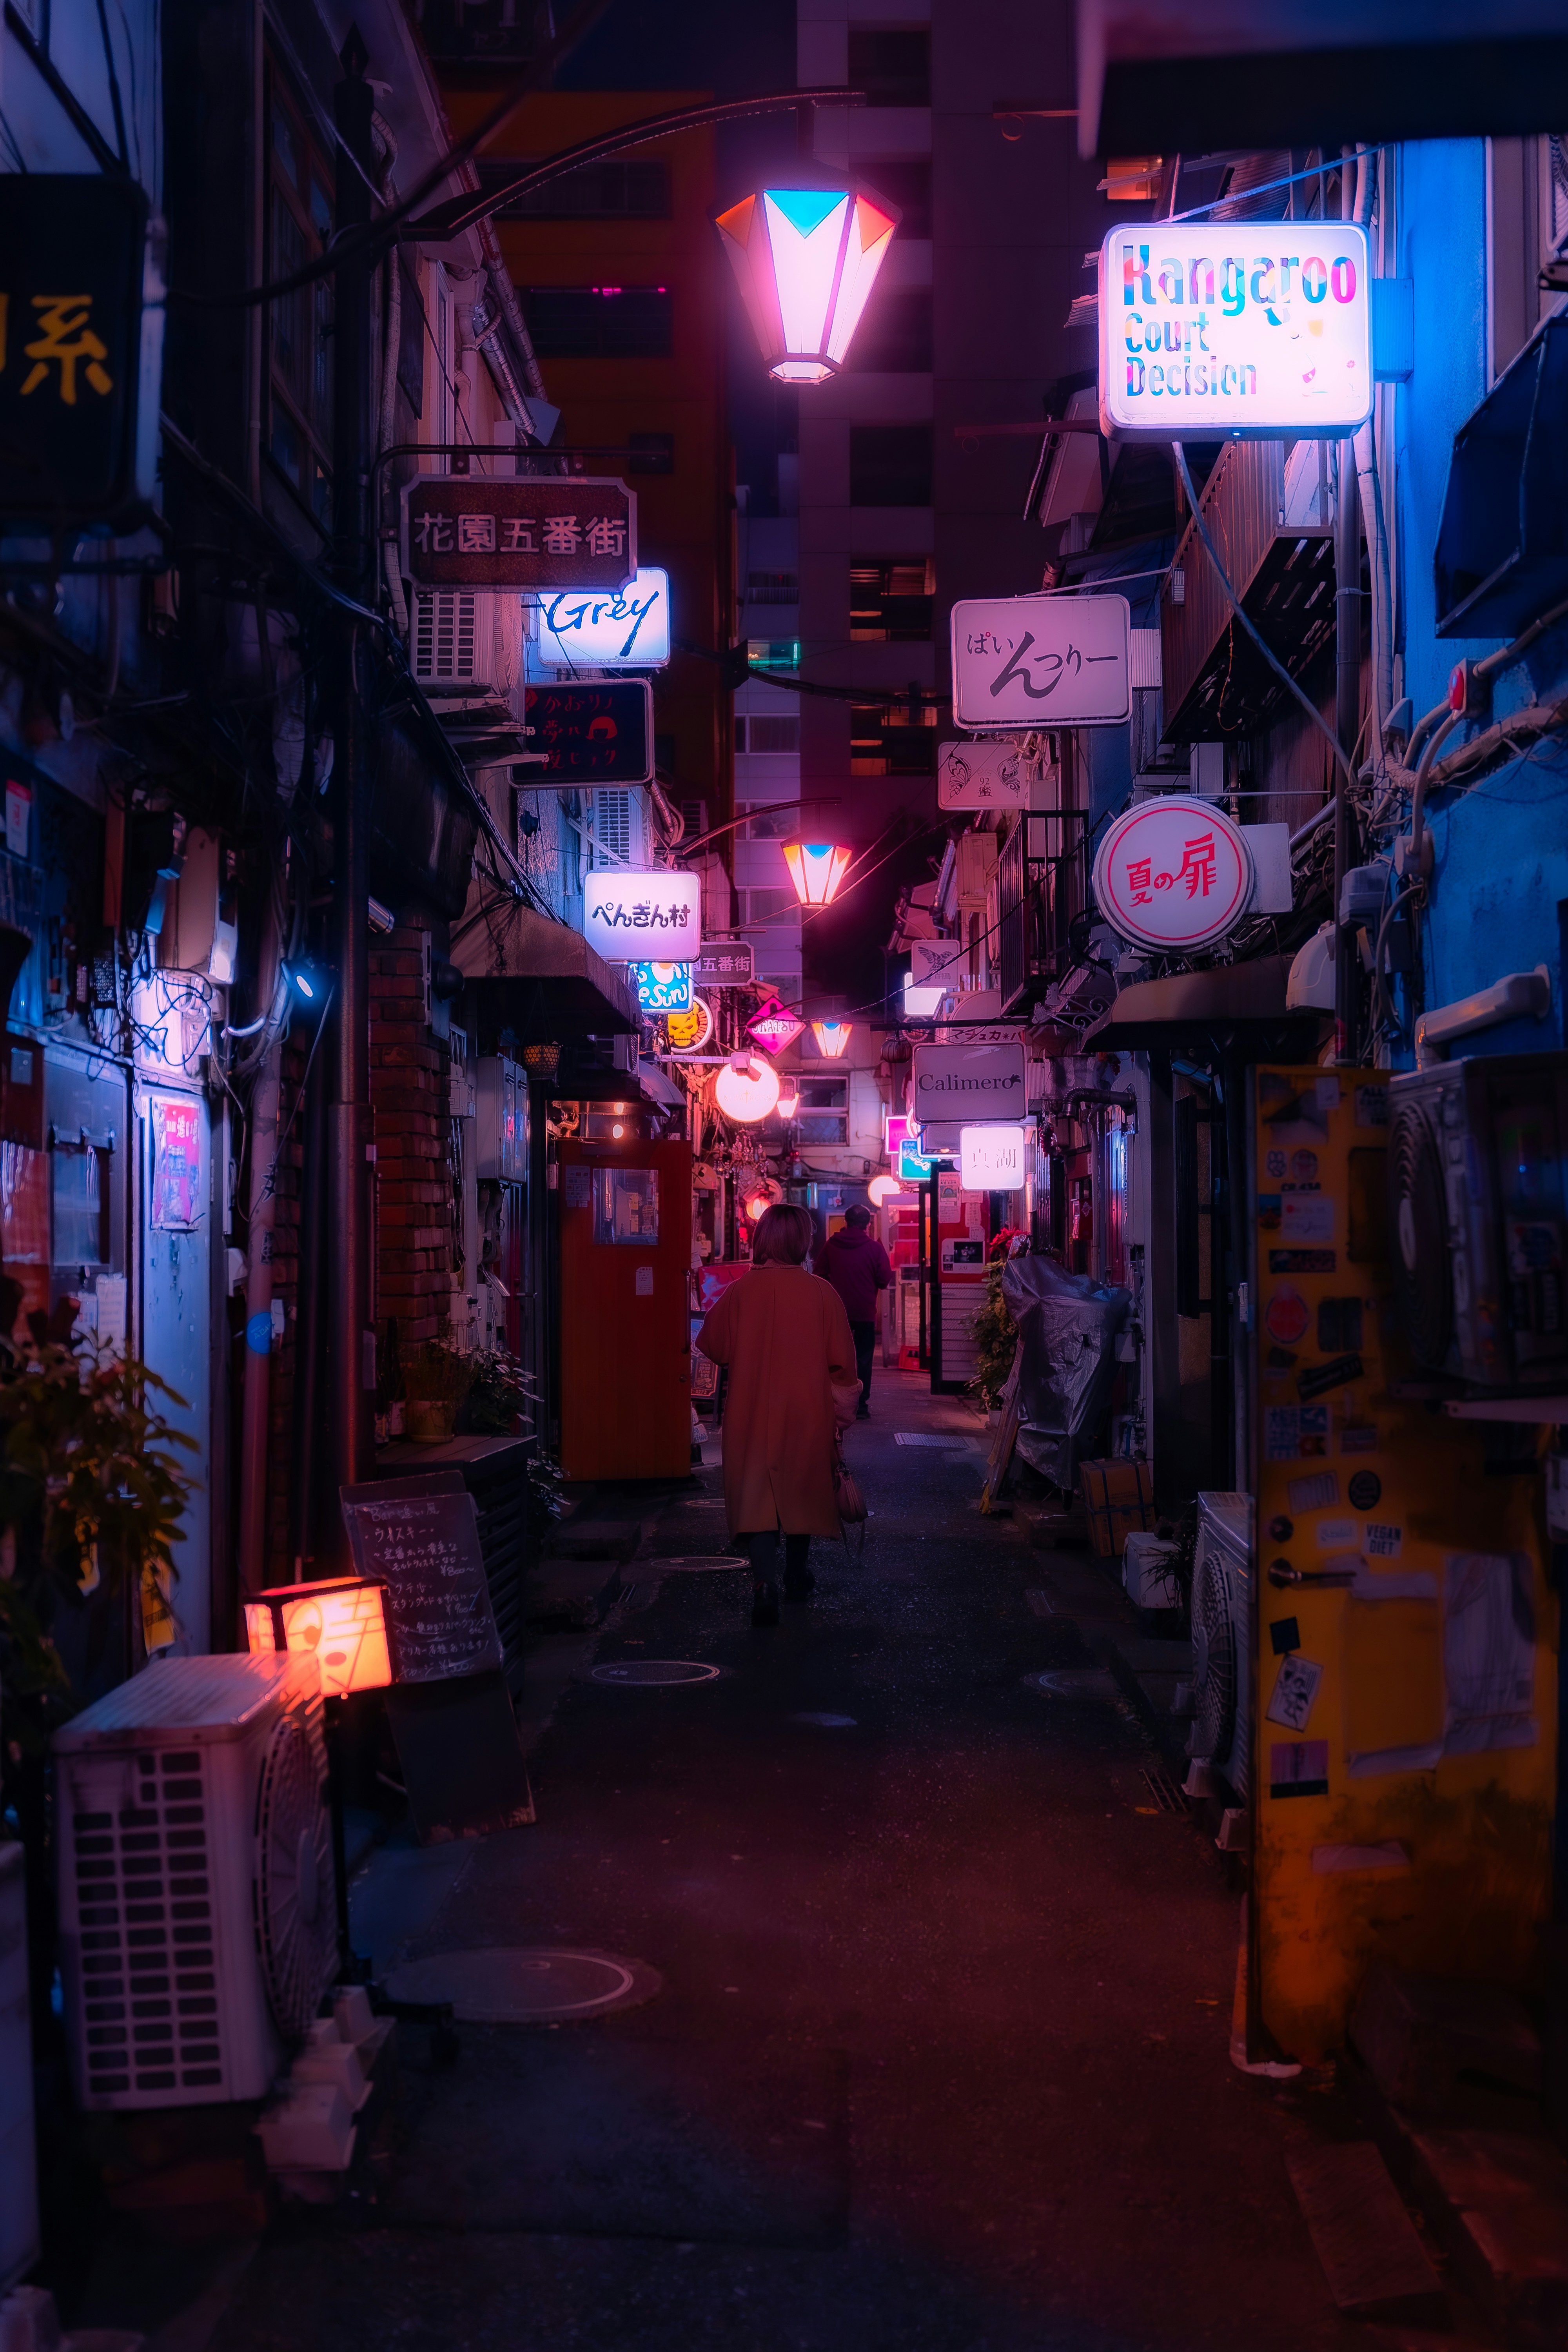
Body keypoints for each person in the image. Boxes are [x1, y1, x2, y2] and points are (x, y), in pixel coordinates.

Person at [697, 1203, 859, 1626]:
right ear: (804, 1241)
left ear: (762, 1239)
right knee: (801, 1489)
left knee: (757, 1495)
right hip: (807, 1410)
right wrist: (840, 1422)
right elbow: (843, 1368)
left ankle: (763, 1581)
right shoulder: (823, 1293)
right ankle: (795, 1573)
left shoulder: (739, 1292)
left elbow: (711, 1344)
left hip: (751, 1410)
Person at [818, 1202, 892, 1417]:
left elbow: (819, 1273)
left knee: (834, 1357)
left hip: (837, 1312)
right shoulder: (874, 1248)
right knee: (864, 1358)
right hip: (865, 1313)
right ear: (867, 1224)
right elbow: (885, 1279)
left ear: (846, 1222)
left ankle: (833, 1401)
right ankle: (860, 1405)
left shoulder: (832, 1245)